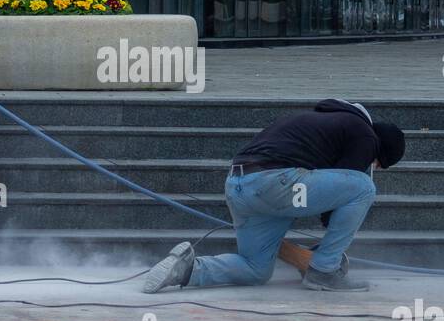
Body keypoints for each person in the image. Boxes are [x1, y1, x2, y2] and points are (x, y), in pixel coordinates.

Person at [143, 99, 406, 293]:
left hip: (239, 184)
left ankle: (188, 268)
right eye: (377, 164)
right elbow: (339, 199)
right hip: (275, 182)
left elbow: (324, 188)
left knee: (256, 268)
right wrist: (325, 255)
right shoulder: (365, 135)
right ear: (381, 152)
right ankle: (324, 272)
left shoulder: (327, 122)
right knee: (363, 188)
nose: (372, 167)